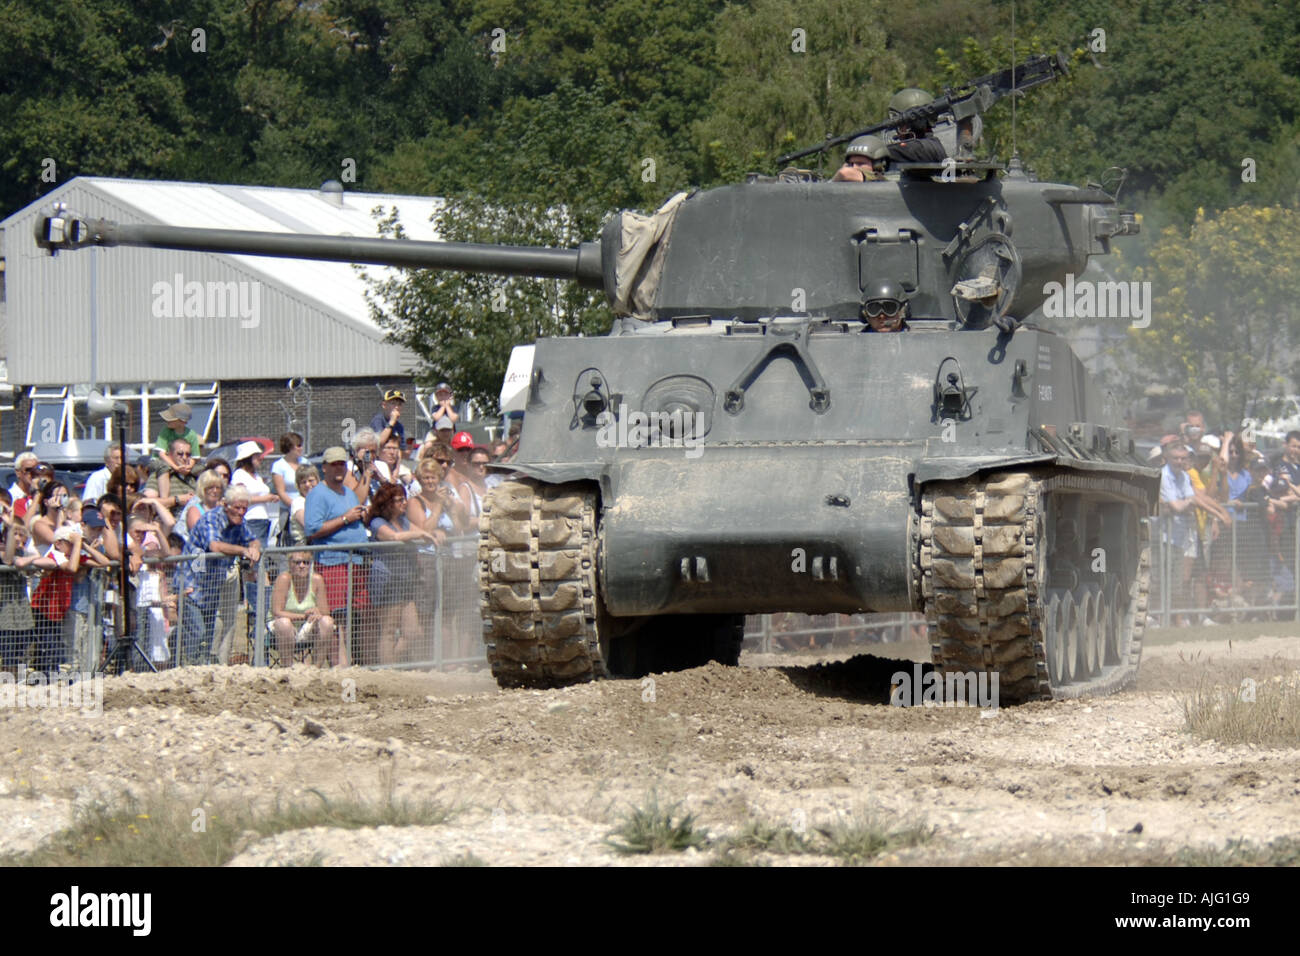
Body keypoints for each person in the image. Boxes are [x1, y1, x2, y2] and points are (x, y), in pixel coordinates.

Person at [304, 447, 373, 662]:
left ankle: (356, 661)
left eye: (342, 463)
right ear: (324, 468)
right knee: (336, 615)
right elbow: (313, 530)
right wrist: (345, 519)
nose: (338, 468)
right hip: (333, 562)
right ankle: (338, 664)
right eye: (334, 464)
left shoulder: (348, 492)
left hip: (356, 561)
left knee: (358, 614)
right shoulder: (318, 494)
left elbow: (355, 513)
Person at [180, 487, 260, 665]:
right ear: (226, 505)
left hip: (212, 587)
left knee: (209, 634)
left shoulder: (240, 521)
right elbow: (214, 546)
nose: (241, 512)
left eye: (244, 509)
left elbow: (252, 538)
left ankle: (203, 668)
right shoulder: (211, 519)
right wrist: (244, 550)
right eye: (237, 508)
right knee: (197, 632)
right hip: (192, 584)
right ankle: (190, 668)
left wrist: (254, 547)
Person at [367, 482, 437, 663]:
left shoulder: (404, 521)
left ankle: (391, 664)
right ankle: (387, 672)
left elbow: (422, 531)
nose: (404, 503)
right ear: (387, 503)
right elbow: (394, 537)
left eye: (404, 499)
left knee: (413, 632)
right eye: (399, 500)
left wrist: (435, 533)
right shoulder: (377, 523)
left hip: (406, 580)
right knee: (389, 630)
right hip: (387, 580)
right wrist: (420, 535)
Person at [269, 551, 342, 667]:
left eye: (306, 562)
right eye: (297, 562)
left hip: (308, 626)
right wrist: (304, 616)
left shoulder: (317, 580)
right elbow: (277, 612)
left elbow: (325, 612)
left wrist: (317, 612)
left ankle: (315, 669)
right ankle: (287, 668)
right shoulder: (284, 579)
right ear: (289, 564)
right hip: (282, 627)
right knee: (284, 623)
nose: (302, 566)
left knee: (327, 622)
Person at [230, 441, 278, 545]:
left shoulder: (256, 476)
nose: (260, 458)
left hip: (263, 520)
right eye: (256, 456)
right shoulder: (239, 475)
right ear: (248, 458)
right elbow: (239, 499)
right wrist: (265, 498)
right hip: (251, 520)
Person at [885, 88, 946, 164]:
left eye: (900, 123)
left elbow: (886, 153)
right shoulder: (930, 144)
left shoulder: (920, 148)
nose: (897, 129)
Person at [145, 437, 199, 521]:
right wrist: (177, 500)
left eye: (188, 454)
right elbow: (148, 503)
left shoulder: (195, 477)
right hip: (171, 526)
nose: (184, 458)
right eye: (180, 454)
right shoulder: (160, 475)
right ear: (169, 455)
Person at [270, 432, 305, 546]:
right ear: (290, 447)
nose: (301, 448)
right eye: (298, 445)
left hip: (307, 508)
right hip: (288, 512)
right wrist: (296, 506)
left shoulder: (305, 463)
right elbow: (281, 492)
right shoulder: (279, 466)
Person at [154, 403, 202, 470]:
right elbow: (161, 454)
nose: (166, 421)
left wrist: (188, 467)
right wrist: (176, 467)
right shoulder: (165, 431)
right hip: (162, 461)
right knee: (164, 468)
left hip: (183, 463)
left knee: (199, 469)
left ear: (181, 421)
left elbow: (195, 457)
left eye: (170, 419)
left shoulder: (191, 435)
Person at [288, 464, 320, 546]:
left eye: (311, 480)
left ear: (317, 481)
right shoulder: (298, 502)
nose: (307, 485)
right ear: (298, 486)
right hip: (304, 548)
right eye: (303, 482)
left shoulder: (321, 499)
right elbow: (308, 525)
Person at [82, 441, 121, 506]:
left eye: (122, 458)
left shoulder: (125, 478)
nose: (120, 462)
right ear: (107, 461)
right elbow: (88, 504)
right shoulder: (97, 478)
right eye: (116, 458)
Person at [8, 452, 39, 521]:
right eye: (28, 470)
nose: (33, 473)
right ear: (18, 472)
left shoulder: (41, 494)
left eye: (36, 469)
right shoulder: (10, 497)